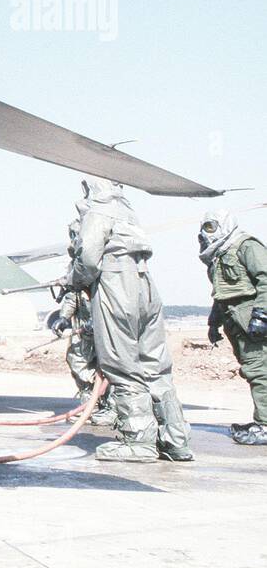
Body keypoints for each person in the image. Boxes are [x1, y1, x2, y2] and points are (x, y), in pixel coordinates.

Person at [69, 178, 193, 462]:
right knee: (156, 366)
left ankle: (138, 440)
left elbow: (88, 258)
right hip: (145, 284)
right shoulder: (128, 213)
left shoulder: (98, 212)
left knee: (120, 364)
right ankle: (176, 439)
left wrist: (73, 280)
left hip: (116, 284)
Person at [199, 210, 267, 446]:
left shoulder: (245, 246)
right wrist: (213, 322)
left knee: (259, 371)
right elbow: (222, 294)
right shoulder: (219, 254)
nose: (207, 233)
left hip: (252, 321)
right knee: (252, 370)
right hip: (236, 321)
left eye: (211, 226)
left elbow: (266, 278)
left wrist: (262, 314)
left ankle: (265, 425)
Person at [53, 219, 116, 426]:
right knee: (77, 360)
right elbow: (73, 294)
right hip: (83, 326)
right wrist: (63, 317)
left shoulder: (108, 261)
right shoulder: (77, 265)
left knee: (112, 368)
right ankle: (90, 404)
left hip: (107, 325)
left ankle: (112, 407)